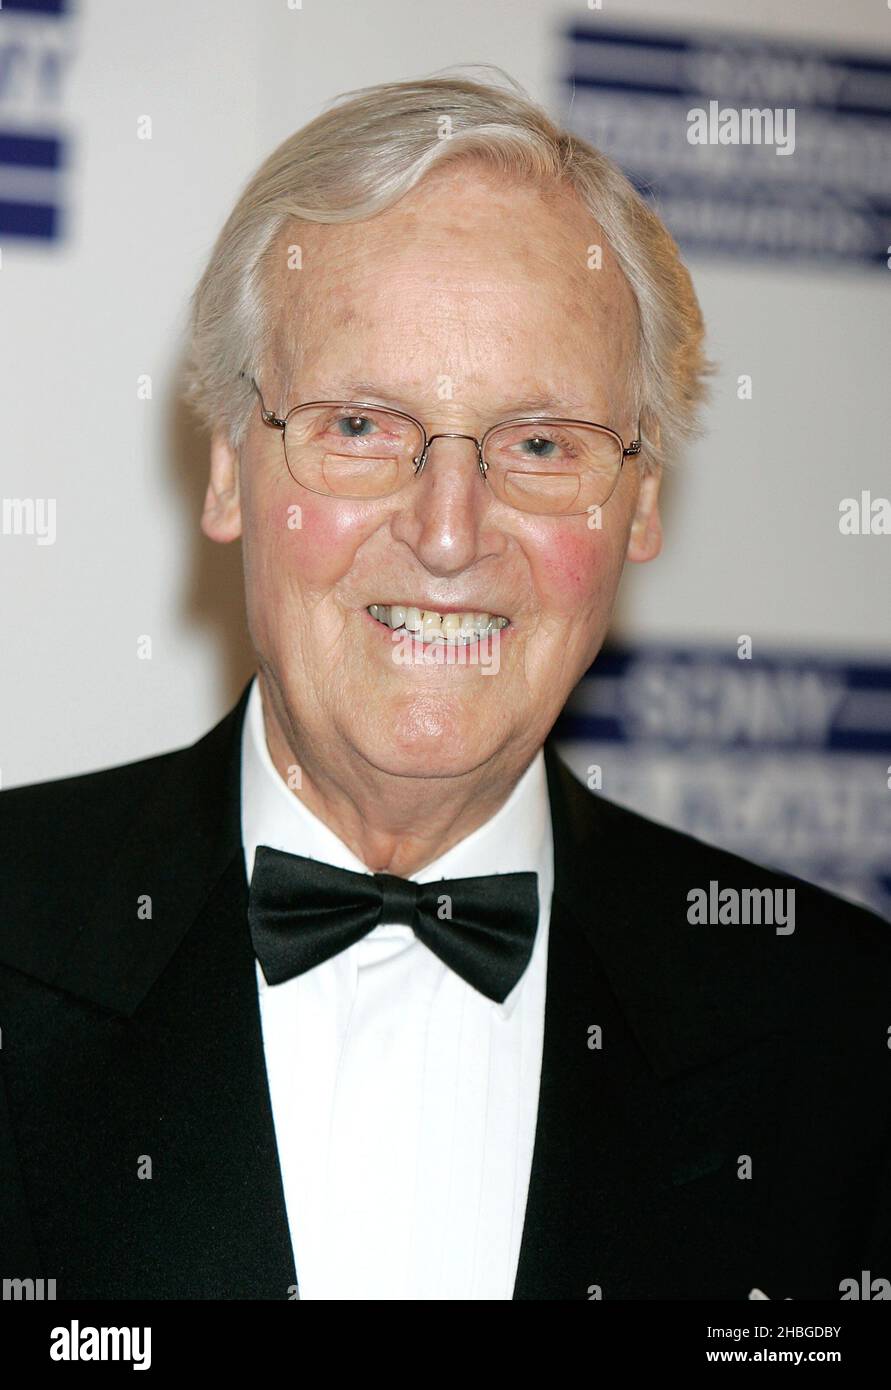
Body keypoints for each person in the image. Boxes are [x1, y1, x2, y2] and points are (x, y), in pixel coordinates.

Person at [1, 71, 888, 1302]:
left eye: (539, 443)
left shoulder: (841, 1032)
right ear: (224, 468)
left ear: (639, 504)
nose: (451, 531)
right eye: (360, 425)